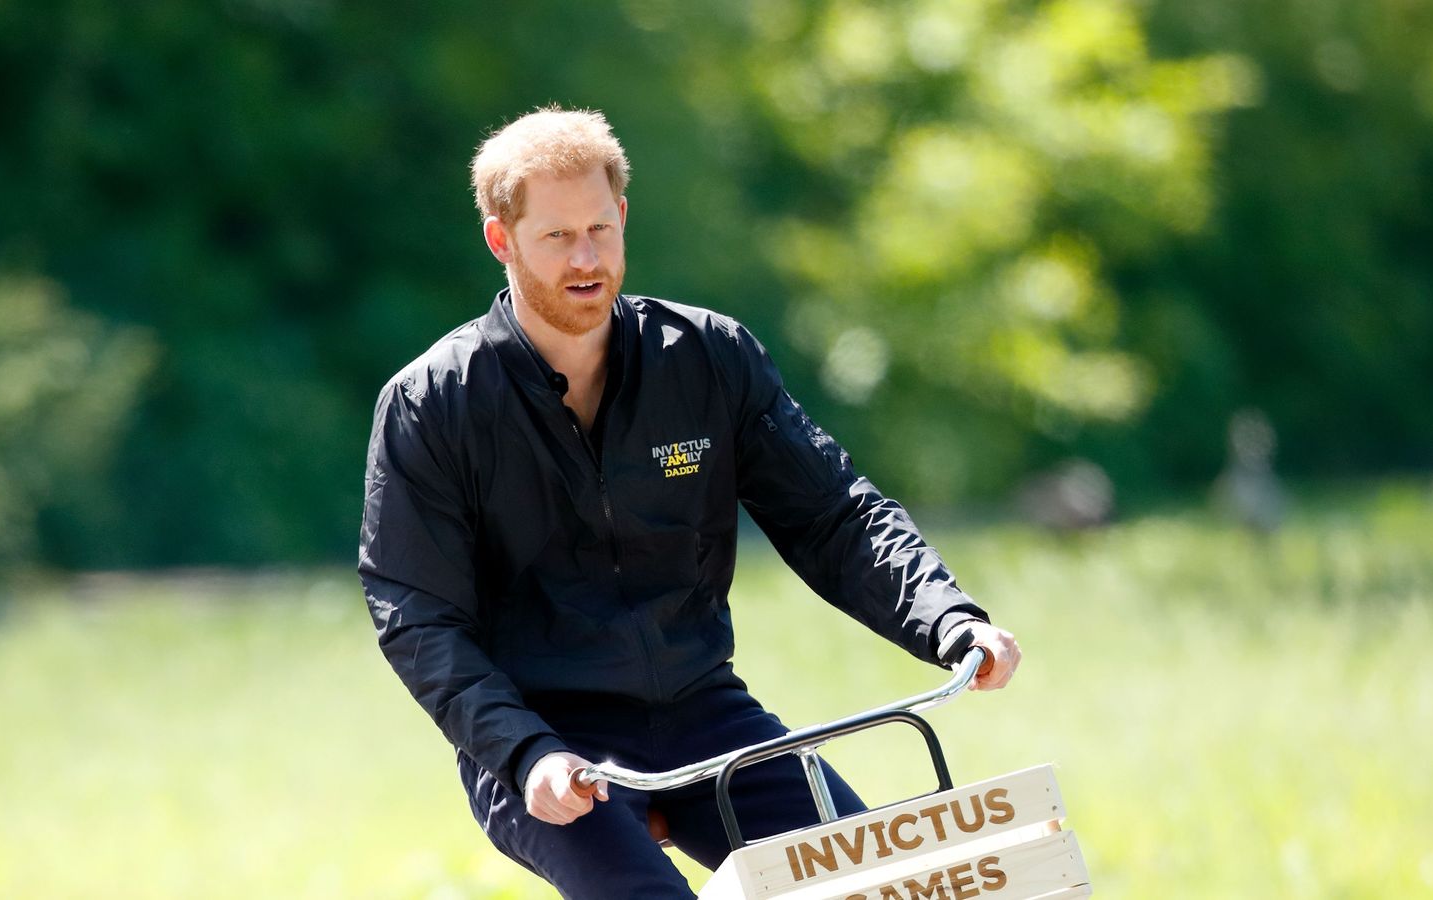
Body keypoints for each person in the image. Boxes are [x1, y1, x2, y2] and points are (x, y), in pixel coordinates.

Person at [358, 106, 1022, 898]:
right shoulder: (434, 403)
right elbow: (416, 613)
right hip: (546, 746)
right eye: (557, 236)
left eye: (601, 229)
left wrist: (948, 616)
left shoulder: (707, 359)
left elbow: (834, 513)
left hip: (706, 713)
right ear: (502, 240)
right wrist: (524, 752)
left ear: (624, 216)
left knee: (870, 885)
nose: (587, 258)